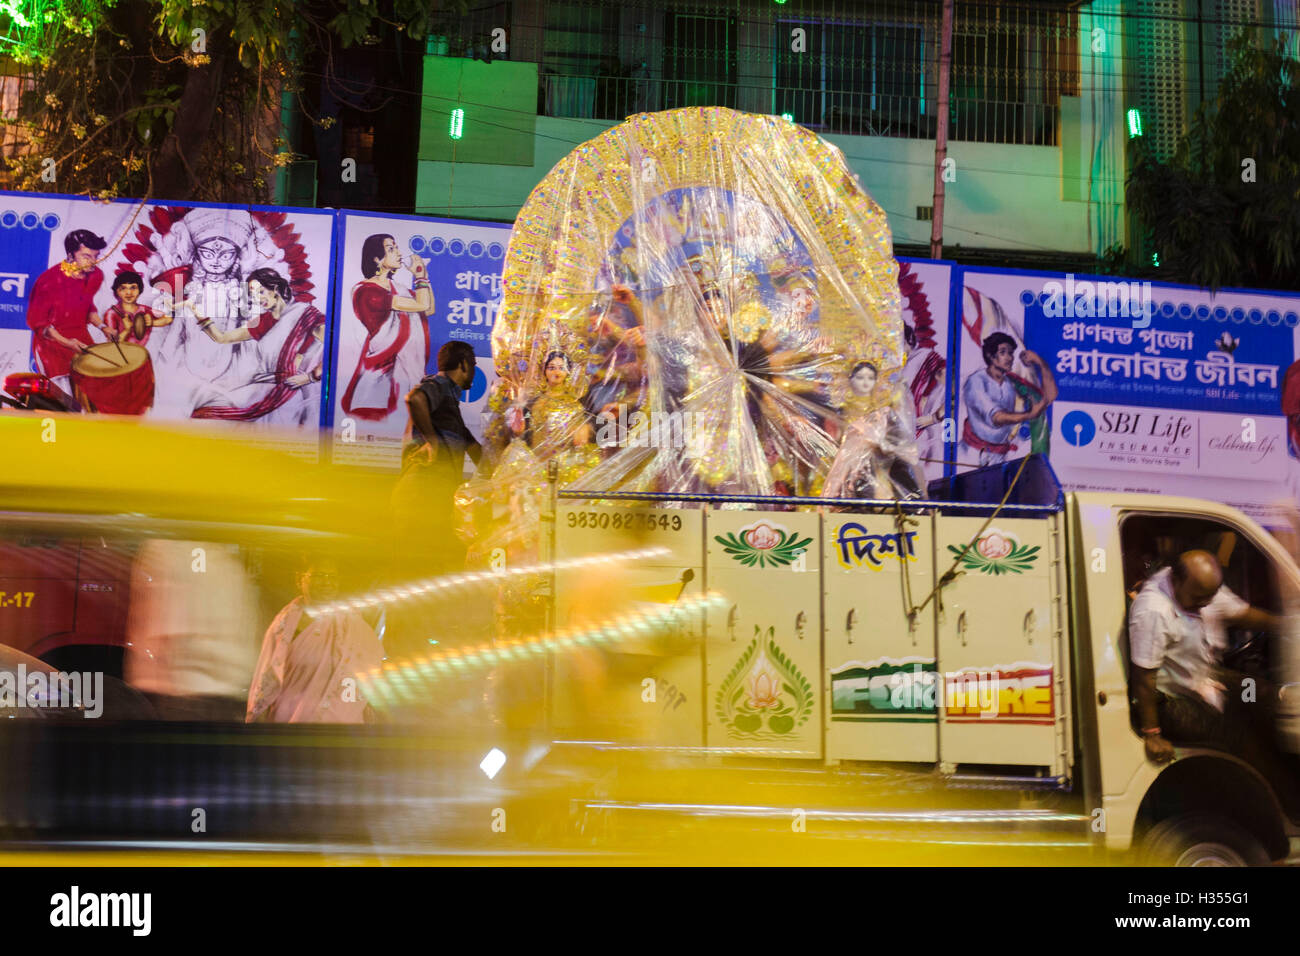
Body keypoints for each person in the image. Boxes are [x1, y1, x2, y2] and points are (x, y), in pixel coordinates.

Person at [1128, 550, 1292, 789]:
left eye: (1210, 596)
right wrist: (1152, 734)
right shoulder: (1154, 611)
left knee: (1263, 695)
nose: (1205, 603)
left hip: (1204, 676)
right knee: (1239, 735)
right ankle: (1279, 792)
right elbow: (1143, 678)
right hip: (1171, 698)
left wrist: (1288, 626)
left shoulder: (1202, 587)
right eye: (1198, 598)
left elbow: (1243, 615)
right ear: (1176, 581)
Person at [246, 558, 384, 724]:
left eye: (332, 577)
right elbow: (266, 670)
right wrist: (257, 712)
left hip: (336, 723)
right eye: (319, 575)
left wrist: (341, 709)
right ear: (300, 579)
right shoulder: (283, 622)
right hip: (287, 719)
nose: (327, 582)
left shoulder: (352, 623)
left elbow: (368, 669)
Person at [189, 268, 326, 425]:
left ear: (275, 288)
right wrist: (194, 310)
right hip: (264, 385)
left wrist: (311, 377)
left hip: (290, 391)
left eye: (261, 292)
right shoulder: (262, 321)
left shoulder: (306, 315)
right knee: (206, 409)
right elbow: (222, 338)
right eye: (253, 296)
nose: (258, 299)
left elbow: (333, 349)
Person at [341, 234, 432, 422]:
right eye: (391, 249)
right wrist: (419, 275)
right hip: (381, 373)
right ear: (376, 258)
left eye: (397, 248)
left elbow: (429, 308)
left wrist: (425, 277)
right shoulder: (366, 290)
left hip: (405, 372)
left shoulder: (399, 288)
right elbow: (421, 305)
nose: (398, 253)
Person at [25, 228, 113, 392]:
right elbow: (39, 325)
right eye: (86, 256)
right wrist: (67, 343)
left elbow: (87, 308)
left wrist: (103, 327)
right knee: (65, 398)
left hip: (80, 337)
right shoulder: (48, 281)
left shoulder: (95, 275)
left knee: (97, 389)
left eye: (96, 256)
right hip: (52, 345)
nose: (93, 262)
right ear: (71, 255)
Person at [959, 331, 1057, 467]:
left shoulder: (1010, 382)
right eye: (1003, 352)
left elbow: (1049, 397)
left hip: (1000, 458)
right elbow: (997, 418)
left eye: (1011, 353)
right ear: (990, 356)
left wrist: (1040, 363)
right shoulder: (976, 382)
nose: (1009, 358)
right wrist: (1029, 415)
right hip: (971, 456)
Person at [103, 271, 171, 346]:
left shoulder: (144, 310)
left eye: (133, 287)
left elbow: (168, 319)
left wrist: (152, 323)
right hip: (119, 356)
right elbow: (111, 345)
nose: (128, 292)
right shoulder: (112, 313)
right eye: (123, 288)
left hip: (142, 355)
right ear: (117, 291)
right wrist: (127, 330)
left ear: (140, 290)